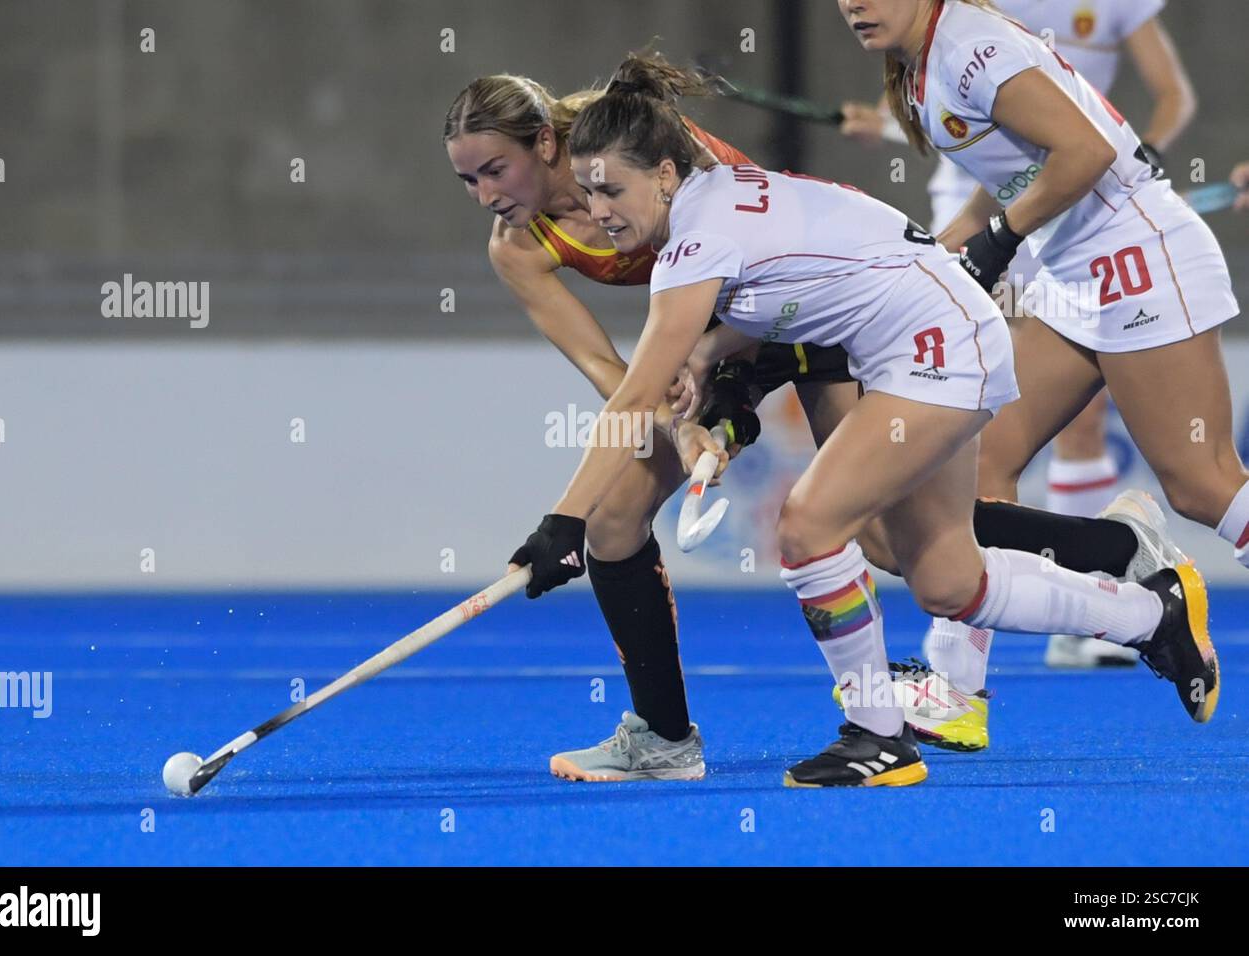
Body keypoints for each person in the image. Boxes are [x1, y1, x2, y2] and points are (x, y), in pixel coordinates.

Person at [505, 63, 1219, 788]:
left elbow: (632, 401)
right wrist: (718, 360)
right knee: (947, 581)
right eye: (588, 192)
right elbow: (788, 298)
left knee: (809, 528)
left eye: (612, 190)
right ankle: (1150, 615)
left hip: (930, 351)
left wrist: (564, 520)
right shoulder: (714, 194)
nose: (598, 212)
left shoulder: (693, 244)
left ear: (663, 174)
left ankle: (877, 734)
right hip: (939, 336)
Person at [444, 62, 862, 781]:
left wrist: (712, 386)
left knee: (890, 532)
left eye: (495, 170)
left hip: (797, 301)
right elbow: (612, 373)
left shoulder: (634, 142)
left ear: (546, 142)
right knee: (612, 520)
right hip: (701, 339)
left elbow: (743, 242)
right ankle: (664, 740)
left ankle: (1111, 561)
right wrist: (681, 425)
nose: (485, 196)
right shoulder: (518, 248)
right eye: (468, 182)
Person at [838, 0, 1244, 707]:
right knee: (978, 462)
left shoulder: (966, 46)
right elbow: (1013, 177)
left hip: (1137, 260)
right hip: (1074, 276)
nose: (852, 3)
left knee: (1203, 484)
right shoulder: (918, 66)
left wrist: (999, 241)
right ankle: (956, 692)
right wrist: (941, 257)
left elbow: (1083, 151)